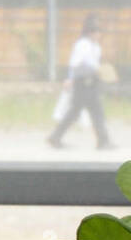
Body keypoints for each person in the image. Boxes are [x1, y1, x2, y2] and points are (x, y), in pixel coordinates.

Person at [47, 13, 115, 149]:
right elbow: (75, 64)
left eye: (99, 32)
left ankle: (102, 141)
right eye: (95, 32)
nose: (98, 35)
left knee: (92, 112)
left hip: (91, 83)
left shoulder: (96, 47)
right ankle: (102, 141)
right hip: (82, 83)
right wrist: (70, 78)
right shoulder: (82, 45)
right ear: (89, 33)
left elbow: (95, 65)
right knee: (83, 112)